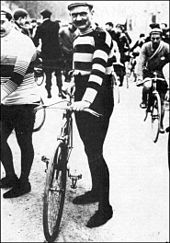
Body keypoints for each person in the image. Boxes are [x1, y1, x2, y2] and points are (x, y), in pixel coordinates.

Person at [67, 2, 115, 228]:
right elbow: (81, 68)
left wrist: (86, 100)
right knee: (89, 148)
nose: (78, 18)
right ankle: (96, 191)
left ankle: (105, 208)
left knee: (96, 151)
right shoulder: (78, 37)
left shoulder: (101, 35)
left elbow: (97, 69)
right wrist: (72, 82)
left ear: (92, 14)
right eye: (74, 15)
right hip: (83, 94)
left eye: (83, 14)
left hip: (99, 96)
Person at [0, 7, 40, 198]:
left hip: (24, 101)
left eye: (1, 22)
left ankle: (24, 183)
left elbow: (17, 76)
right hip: (5, 101)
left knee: (24, 142)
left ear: (11, 21)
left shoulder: (24, 42)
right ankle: (10, 176)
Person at [136, 28, 170, 133]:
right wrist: (139, 76)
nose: (155, 41)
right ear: (150, 38)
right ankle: (144, 100)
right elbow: (141, 62)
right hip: (149, 72)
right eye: (153, 38)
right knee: (147, 85)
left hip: (162, 73)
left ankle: (161, 124)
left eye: (157, 38)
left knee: (163, 101)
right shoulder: (146, 46)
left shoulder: (166, 47)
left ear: (161, 38)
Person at [33, 9, 63, 98]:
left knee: (48, 74)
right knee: (58, 73)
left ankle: (49, 92)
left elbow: (36, 42)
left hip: (46, 55)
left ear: (42, 16)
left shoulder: (40, 27)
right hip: (57, 54)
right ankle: (60, 91)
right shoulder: (56, 25)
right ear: (50, 16)